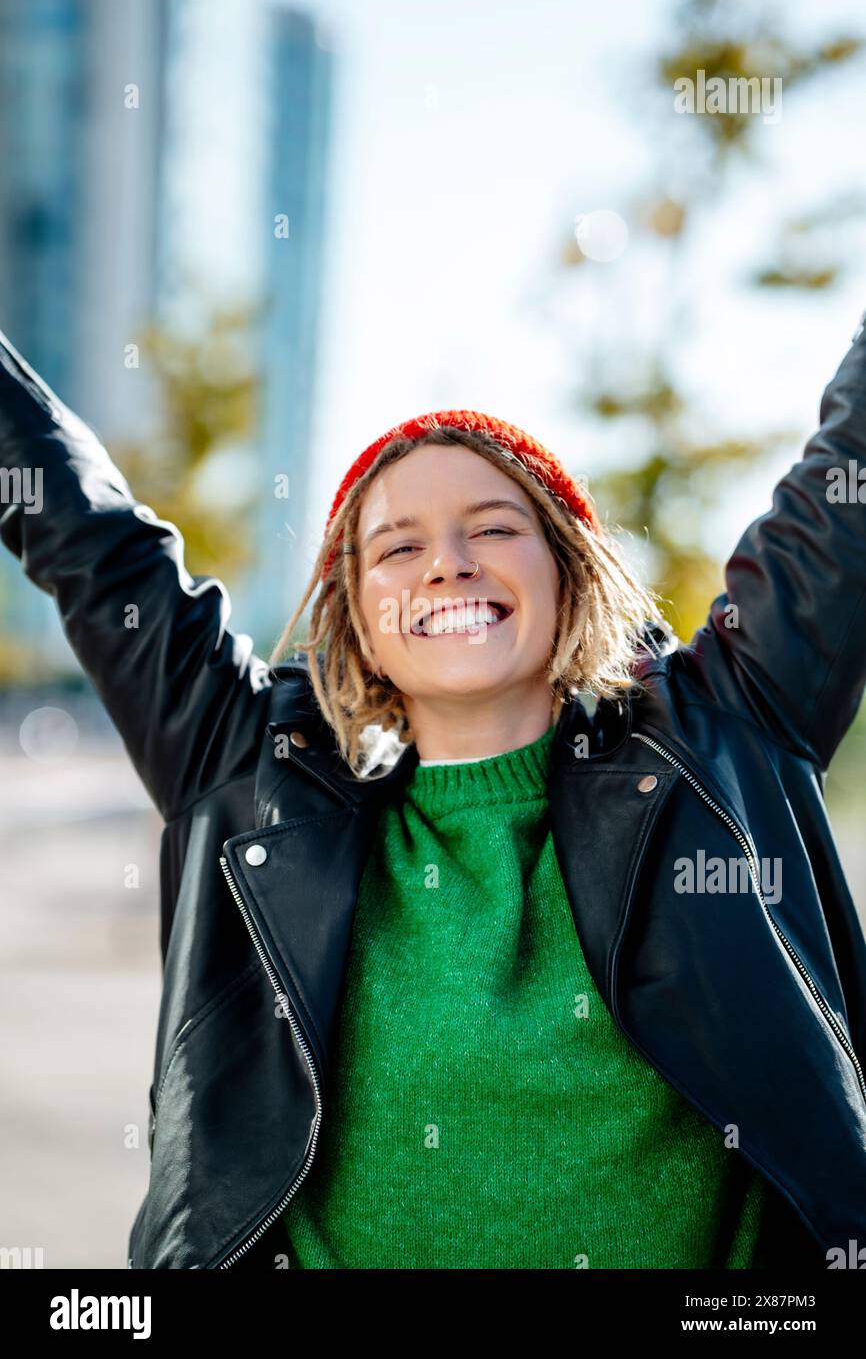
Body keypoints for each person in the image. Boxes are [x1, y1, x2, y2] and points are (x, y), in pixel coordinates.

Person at [1, 320, 865, 1271]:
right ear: (360, 623)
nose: (448, 563)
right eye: (396, 547)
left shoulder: (724, 733)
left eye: (495, 527)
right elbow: (91, 540)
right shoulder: (249, 773)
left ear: (568, 574)